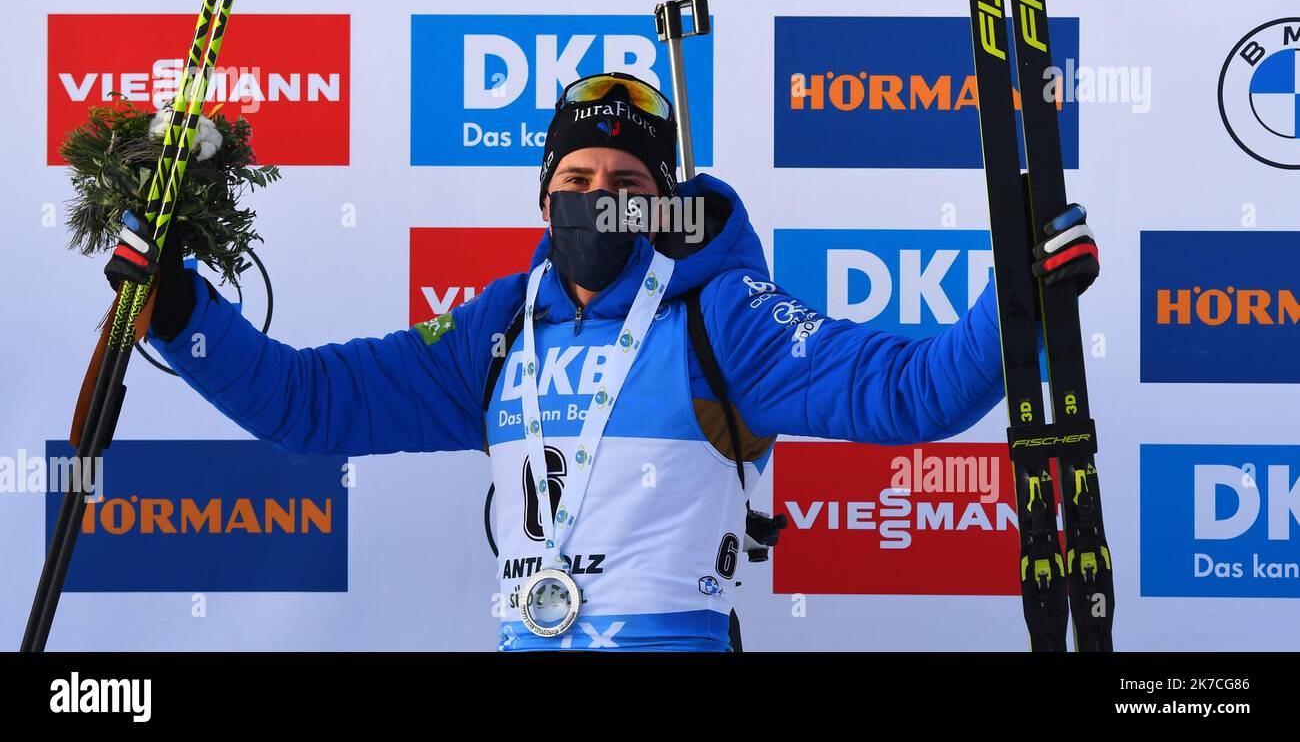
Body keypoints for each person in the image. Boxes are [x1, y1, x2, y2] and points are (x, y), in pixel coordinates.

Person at [106, 72, 1100, 652]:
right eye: (577, 177)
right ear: (545, 195)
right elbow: (312, 406)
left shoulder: (721, 315)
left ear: (663, 202)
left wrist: (1020, 294)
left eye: (626, 181)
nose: (597, 197)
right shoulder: (499, 326)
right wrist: (182, 312)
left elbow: (910, 392)